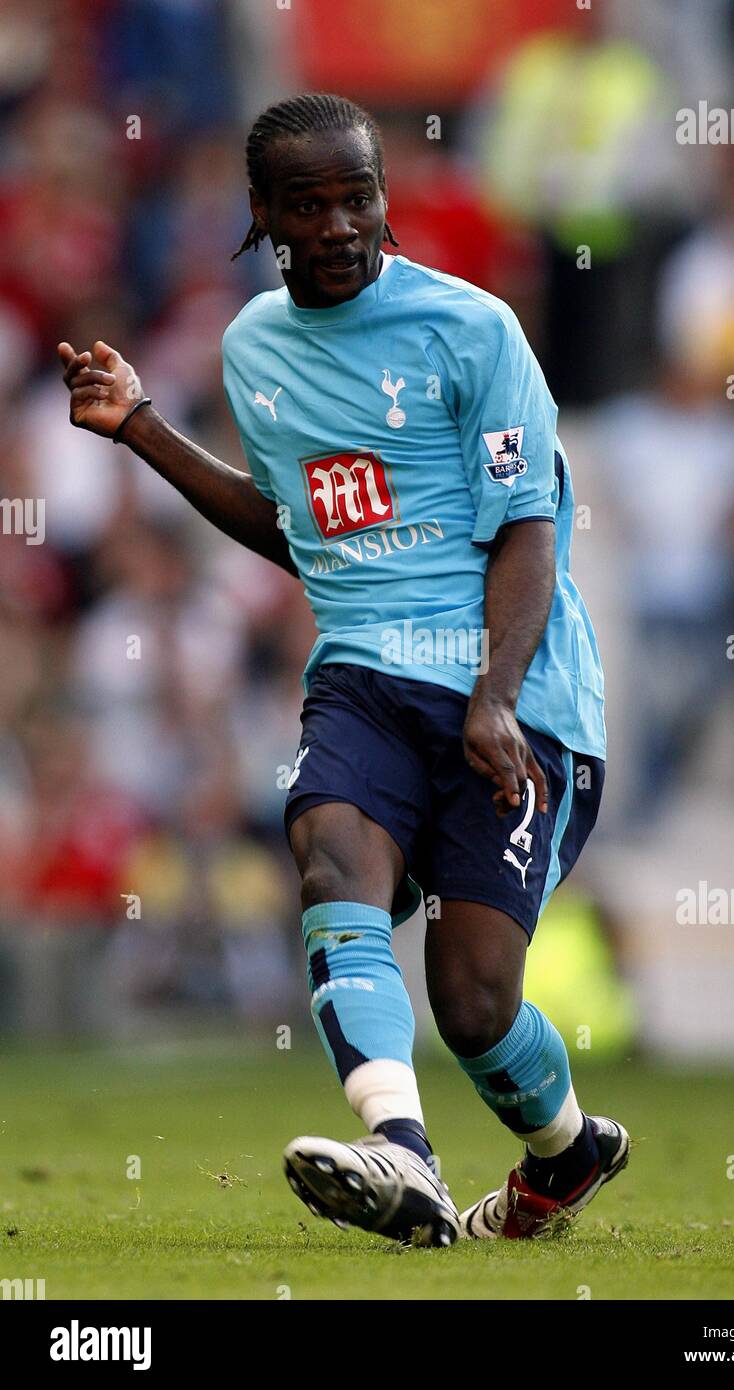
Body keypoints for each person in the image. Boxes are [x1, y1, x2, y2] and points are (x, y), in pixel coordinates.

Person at [58, 92, 628, 1247]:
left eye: (356, 197)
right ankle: (402, 1155)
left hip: (512, 692)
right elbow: (297, 529)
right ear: (261, 215)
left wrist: (496, 699)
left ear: (383, 201)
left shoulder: (473, 331)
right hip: (361, 675)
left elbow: (528, 529)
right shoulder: (254, 346)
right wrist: (143, 429)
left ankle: (566, 1152)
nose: (336, 224)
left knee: (473, 1005)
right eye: (306, 205)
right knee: (330, 862)